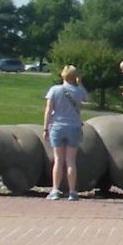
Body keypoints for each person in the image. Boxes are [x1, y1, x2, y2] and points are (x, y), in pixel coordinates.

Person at [41, 64, 88, 200]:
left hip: (57, 126)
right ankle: (72, 192)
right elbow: (86, 98)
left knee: (58, 160)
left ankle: (55, 190)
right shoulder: (78, 91)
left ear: (63, 75)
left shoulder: (54, 90)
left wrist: (45, 128)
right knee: (71, 161)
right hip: (74, 127)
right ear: (75, 77)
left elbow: (48, 110)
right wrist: (80, 84)